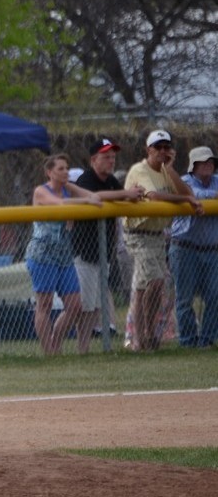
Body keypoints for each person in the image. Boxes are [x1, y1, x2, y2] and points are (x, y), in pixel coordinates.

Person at [122, 129, 204, 351]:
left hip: (157, 235)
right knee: (155, 281)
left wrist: (170, 169)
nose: (162, 151)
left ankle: (142, 339)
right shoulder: (140, 170)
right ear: (148, 150)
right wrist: (184, 198)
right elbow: (154, 196)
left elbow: (189, 193)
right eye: (158, 147)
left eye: (167, 147)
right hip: (138, 235)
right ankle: (147, 334)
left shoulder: (166, 171)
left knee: (144, 288)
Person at [69, 138, 145, 353]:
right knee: (82, 306)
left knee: (94, 305)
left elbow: (121, 196)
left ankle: (83, 349)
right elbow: (96, 196)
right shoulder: (87, 178)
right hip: (83, 252)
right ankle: (58, 343)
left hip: (103, 252)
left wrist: (133, 195)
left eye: (113, 157)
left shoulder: (111, 180)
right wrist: (125, 194)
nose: (111, 160)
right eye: (105, 157)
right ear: (94, 159)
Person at [26, 154, 103, 355]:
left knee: (75, 305)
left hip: (64, 255)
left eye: (66, 168)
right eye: (60, 168)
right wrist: (87, 201)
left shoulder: (68, 188)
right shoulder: (41, 191)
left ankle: (56, 342)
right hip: (43, 254)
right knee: (45, 303)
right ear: (49, 172)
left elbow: (92, 195)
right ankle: (49, 352)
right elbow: (59, 204)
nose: (65, 172)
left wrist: (92, 198)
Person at [169, 146, 218, 348]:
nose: (208, 165)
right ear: (193, 165)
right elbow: (194, 195)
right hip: (184, 248)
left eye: (211, 161)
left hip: (212, 249)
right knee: (184, 299)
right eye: (203, 161)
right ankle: (188, 342)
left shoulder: (216, 180)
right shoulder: (184, 181)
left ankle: (206, 340)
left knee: (215, 297)